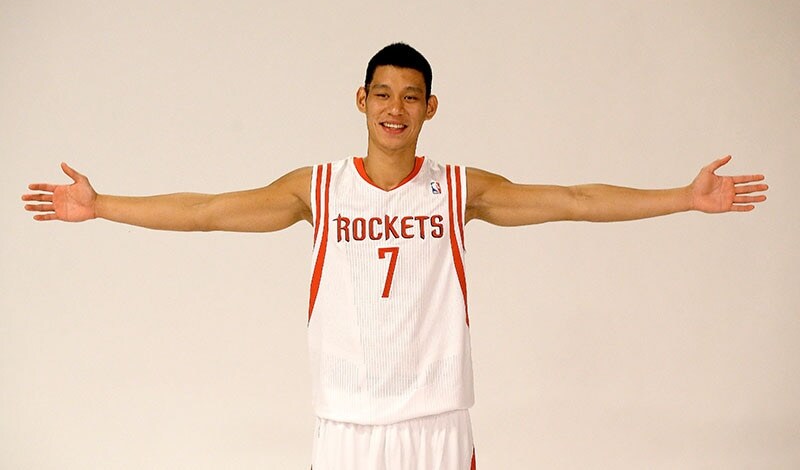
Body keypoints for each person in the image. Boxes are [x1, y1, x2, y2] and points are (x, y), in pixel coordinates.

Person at [22, 43, 768, 470]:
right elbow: (208, 212)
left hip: (435, 419)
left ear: (430, 109)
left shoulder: (457, 190)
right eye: (382, 94)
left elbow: (573, 199)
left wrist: (681, 196)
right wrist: (104, 205)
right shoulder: (315, 189)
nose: (395, 108)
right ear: (360, 98)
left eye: (411, 97)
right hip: (344, 423)